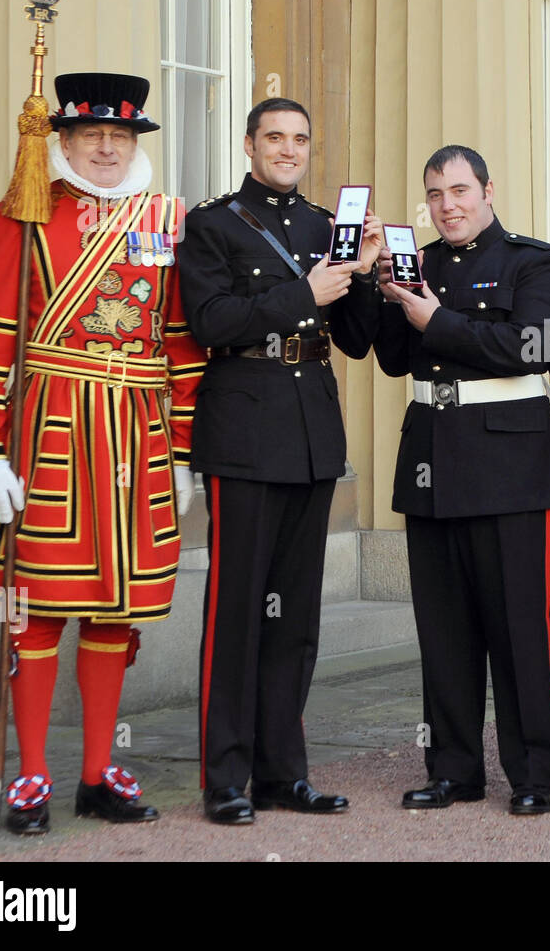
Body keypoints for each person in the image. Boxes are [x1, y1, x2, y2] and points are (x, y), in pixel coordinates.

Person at [0, 71, 206, 834]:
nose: (105, 147)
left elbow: (183, 343)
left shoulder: (166, 217)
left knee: (113, 611)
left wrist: (184, 450)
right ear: (61, 140)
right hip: (51, 431)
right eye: (90, 134)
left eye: (120, 136)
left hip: (136, 435)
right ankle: (31, 775)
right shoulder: (26, 209)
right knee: (37, 609)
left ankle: (98, 772)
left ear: (135, 143)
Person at [178, 97, 381, 825]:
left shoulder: (329, 227)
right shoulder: (214, 222)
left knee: (294, 616)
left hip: (310, 432)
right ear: (249, 145)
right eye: (275, 138)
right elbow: (210, 322)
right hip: (244, 426)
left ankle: (282, 773)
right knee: (238, 611)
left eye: (299, 138)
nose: (288, 150)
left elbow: (357, 340)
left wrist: (363, 272)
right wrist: (304, 291)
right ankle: (224, 777)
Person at [364, 145, 550, 816]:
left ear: (487, 189)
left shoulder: (533, 260)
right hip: (432, 459)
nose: (447, 204)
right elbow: (395, 359)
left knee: (519, 628)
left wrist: (436, 320)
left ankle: (534, 771)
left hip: (511, 466)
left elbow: (532, 345)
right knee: (444, 630)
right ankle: (453, 770)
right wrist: (378, 286)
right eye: (435, 193)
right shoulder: (416, 263)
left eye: (459, 189)